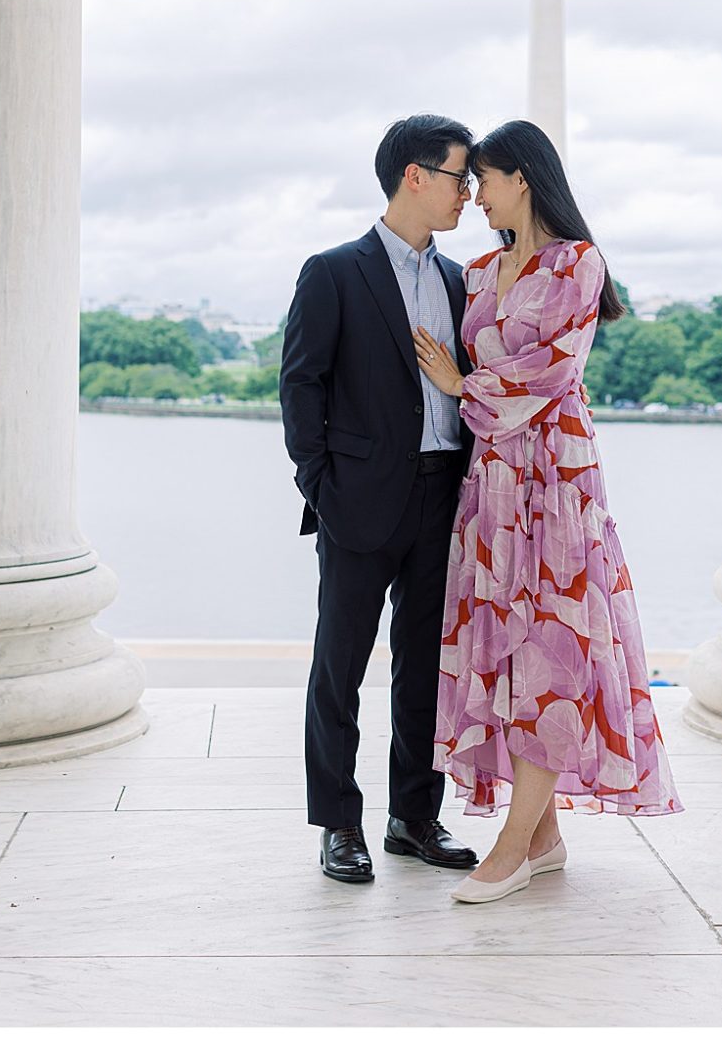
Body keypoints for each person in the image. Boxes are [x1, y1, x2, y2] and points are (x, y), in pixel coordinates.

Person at [410, 119, 682, 905]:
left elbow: (552, 371)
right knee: (505, 647)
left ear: (520, 177)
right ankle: (545, 835)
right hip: (492, 484)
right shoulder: (480, 271)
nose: (475, 193)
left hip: (556, 483)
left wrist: (465, 388)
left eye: (484, 179)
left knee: (550, 653)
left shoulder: (578, 263)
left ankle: (512, 849)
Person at [281, 113, 484, 883]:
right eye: (459, 177)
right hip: (357, 500)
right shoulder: (332, 271)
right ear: (414, 176)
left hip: (444, 496)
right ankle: (338, 821)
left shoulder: (463, 280)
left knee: (426, 667)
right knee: (340, 664)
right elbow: (301, 384)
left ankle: (413, 815)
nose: (467, 193)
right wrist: (320, 485)